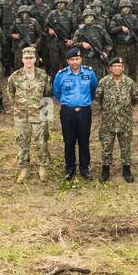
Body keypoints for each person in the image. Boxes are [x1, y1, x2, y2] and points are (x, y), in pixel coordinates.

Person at [6, 46, 51, 182]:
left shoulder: (43, 75)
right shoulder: (15, 76)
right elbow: (10, 93)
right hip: (21, 115)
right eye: (26, 58)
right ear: (22, 59)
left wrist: (45, 114)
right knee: (22, 142)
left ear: (35, 59)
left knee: (41, 142)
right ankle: (23, 168)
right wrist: (19, 105)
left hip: (39, 114)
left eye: (31, 58)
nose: (29, 61)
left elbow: (47, 94)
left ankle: (42, 167)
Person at [52, 48, 98, 182]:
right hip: (67, 112)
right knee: (69, 141)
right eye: (72, 59)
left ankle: (84, 168)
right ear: (68, 61)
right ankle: (70, 168)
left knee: (84, 141)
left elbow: (93, 88)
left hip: (84, 111)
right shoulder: (61, 75)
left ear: (81, 59)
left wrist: (84, 101)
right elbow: (57, 92)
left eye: (77, 59)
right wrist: (68, 103)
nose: (75, 62)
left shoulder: (89, 73)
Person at [94, 56, 138, 182]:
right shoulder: (104, 82)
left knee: (125, 147)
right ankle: (105, 171)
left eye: (119, 66)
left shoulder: (129, 82)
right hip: (108, 121)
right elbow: (98, 97)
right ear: (110, 68)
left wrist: (124, 109)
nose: (117, 68)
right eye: (115, 66)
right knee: (106, 146)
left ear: (123, 68)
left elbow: (135, 98)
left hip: (125, 121)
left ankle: (126, 171)